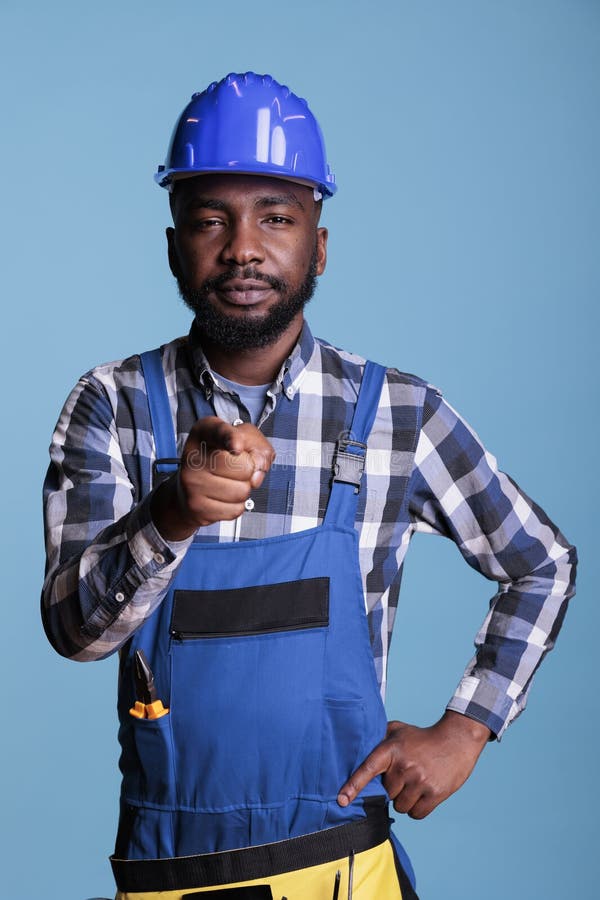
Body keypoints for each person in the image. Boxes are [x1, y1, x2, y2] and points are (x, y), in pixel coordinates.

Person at [42, 72, 577, 900]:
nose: (243, 247)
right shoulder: (112, 405)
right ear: (174, 243)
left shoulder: (397, 413)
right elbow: (77, 632)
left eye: (276, 218)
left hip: (342, 870)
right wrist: (172, 513)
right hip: (169, 873)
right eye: (211, 219)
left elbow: (541, 562)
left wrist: (469, 728)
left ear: (319, 245)